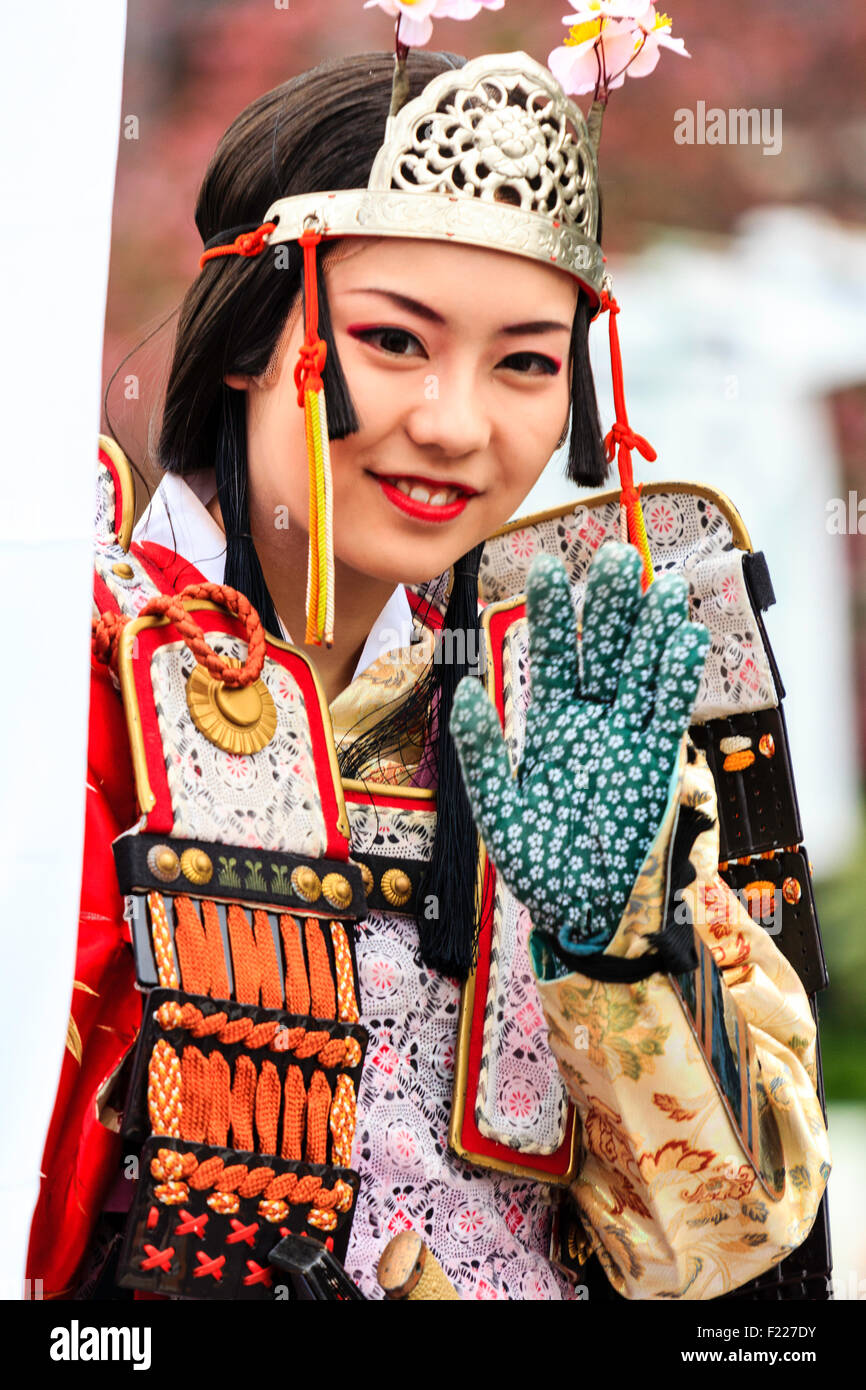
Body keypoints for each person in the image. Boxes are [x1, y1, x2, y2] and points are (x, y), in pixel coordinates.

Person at [26, 43, 830, 1302]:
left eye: (522, 361)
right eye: (394, 340)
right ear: (247, 335)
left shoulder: (571, 711)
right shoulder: (64, 665)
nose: (457, 425)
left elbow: (727, 1250)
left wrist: (609, 947)